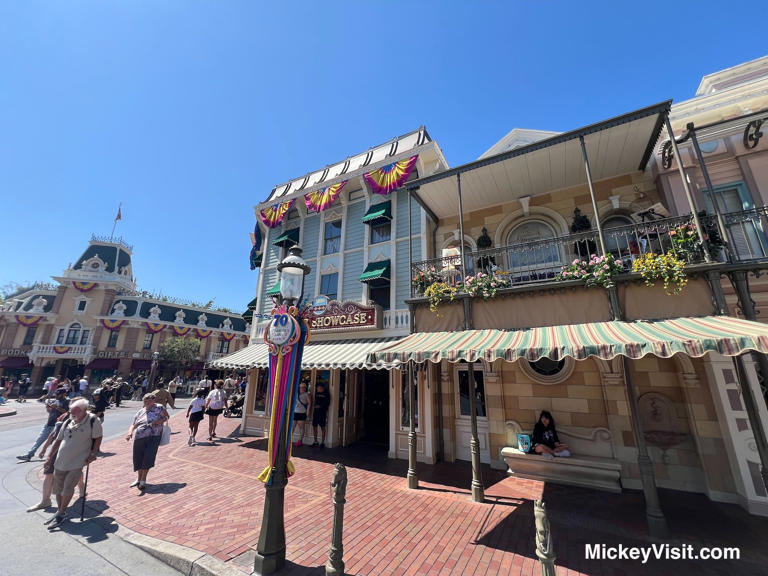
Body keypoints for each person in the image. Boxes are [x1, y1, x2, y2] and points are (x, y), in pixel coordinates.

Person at [44, 398, 102, 528]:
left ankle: (62, 512)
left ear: (84, 410)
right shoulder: (68, 421)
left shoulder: (93, 421)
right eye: (71, 412)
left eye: (75, 412)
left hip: (78, 461)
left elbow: (98, 437)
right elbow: (58, 441)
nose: (72, 414)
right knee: (58, 488)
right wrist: (49, 457)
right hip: (61, 460)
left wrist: (93, 454)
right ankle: (60, 512)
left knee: (68, 487)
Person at [27, 412, 85, 513]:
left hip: (72, 451)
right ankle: (45, 500)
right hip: (56, 450)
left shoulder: (85, 418)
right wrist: (44, 448)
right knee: (49, 474)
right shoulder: (64, 416)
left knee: (75, 472)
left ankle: (81, 487)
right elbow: (53, 433)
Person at [125, 393, 169, 490]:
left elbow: (166, 417)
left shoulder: (159, 408)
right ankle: (138, 478)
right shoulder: (141, 411)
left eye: (149, 400)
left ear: (154, 401)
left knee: (148, 457)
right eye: (145, 400)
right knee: (138, 458)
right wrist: (129, 433)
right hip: (139, 437)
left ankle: (143, 479)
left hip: (154, 436)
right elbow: (133, 424)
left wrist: (157, 422)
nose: (147, 402)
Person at [17, 388, 69, 461]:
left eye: (58, 394)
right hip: (49, 423)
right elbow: (50, 411)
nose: (56, 396)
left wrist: (57, 407)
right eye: (56, 394)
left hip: (59, 425)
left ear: (64, 394)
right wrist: (48, 407)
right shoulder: (55, 400)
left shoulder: (67, 401)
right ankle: (29, 455)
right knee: (40, 439)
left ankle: (55, 458)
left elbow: (66, 412)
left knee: (57, 442)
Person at [311, 382, 330, 448]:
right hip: (315, 413)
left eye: (318, 387)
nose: (317, 389)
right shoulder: (316, 393)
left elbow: (327, 403)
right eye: (317, 387)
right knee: (314, 427)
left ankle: (322, 442)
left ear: (321, 388)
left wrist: (320, 406)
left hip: (322, 413)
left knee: (322, 427)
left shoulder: (326, 394)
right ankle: (315, 441)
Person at [293, 382, 310, 448]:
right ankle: (289, 439)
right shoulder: (296, 394)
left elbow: (309, 403)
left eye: (303, 387)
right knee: (292, 427)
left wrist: (307, 412)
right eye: (301, 387)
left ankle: (300, 441)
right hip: (295, 412)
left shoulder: (307, 395)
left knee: (301, 427)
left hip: (302, 413)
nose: (302, 389)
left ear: (305, 388)